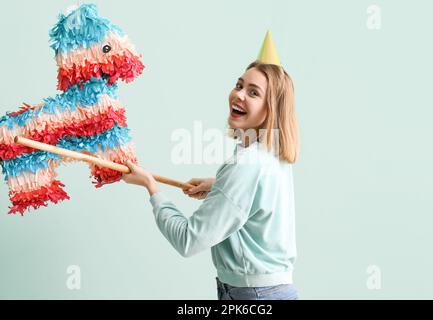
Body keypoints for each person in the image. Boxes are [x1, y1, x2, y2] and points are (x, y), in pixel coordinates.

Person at [122, 32, 300, 300]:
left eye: (253, 93)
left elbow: (188, 240)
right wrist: (218, 185)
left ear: (270, 108)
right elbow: (259, 203)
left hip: (254, 295)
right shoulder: (273, 154)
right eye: (239, 85)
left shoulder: (245, 165)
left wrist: (151, 188)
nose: (239, 95)